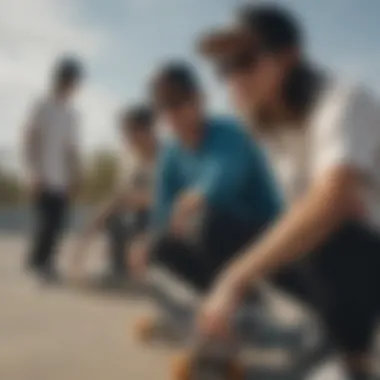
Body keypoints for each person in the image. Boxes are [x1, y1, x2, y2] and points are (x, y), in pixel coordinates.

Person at [198, 4, 380, 379]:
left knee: (324, 228)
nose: (234, 78)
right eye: (225, 68)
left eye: (245, 61)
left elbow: (330, 201)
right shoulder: (270, 128)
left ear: (289, 58)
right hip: (344, 264)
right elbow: (297, 212)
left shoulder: (343, 99)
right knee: (217, 226)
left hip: (366, 253)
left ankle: (353, 359)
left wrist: (235, 277)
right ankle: (281, 330)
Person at [128, 62, 281, 302]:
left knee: (203, 220)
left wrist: (194, 198)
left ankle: (247, 294)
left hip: (263, 235)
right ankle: (223, 304)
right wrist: (147, 241)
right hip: (212, 238)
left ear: (199, 99)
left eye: (177, 100)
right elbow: (163, 209)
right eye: (162, 106)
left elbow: (225, 178)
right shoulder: (170, 154)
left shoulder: (230, 133)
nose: (171, 112)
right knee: (158, 246)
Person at [70, 105, 157, 282]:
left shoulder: (168, 155)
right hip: (137, 214)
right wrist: (87, 234)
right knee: (111, 216)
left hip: (162, 218)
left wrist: (130, 200)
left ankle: (154, 266)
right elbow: (118, 195)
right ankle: (119, 267)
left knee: (137, 216)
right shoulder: (129, 159)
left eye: (130, 131)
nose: (126, 137)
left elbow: (166, 198)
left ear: (146, 130)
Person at [23, 57, 84, 282]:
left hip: (63, 178)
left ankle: (43, 262)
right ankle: (40, 265)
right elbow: (30, 138)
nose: (71, 86)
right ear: (60, 79)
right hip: (43, 175)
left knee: (59, 223)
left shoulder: (71, 114)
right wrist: (32, 172)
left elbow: (72, 148)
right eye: (68, 80)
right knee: (45, 222)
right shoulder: (42, 105)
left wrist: (76, 175)